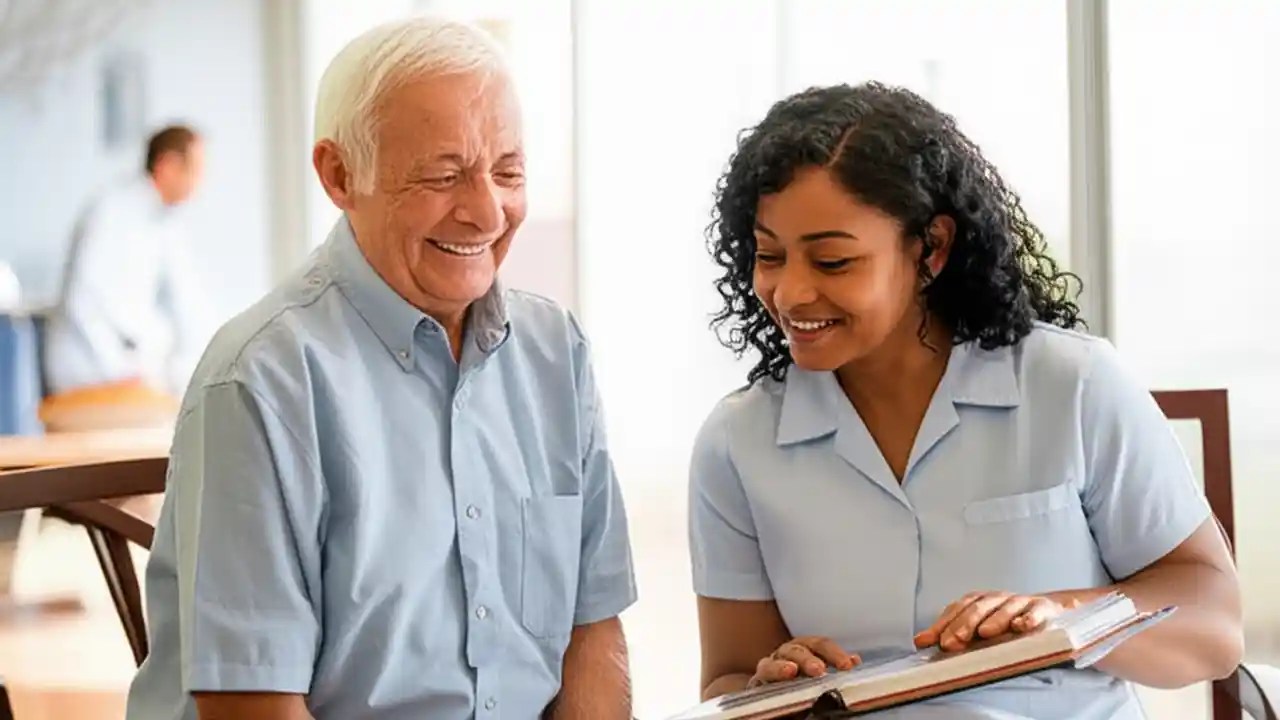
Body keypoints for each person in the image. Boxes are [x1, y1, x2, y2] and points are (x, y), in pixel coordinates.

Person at [125, 17, 636, 720]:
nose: (487, 210)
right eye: (444, 175)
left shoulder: (555, 351)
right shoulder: (261, 381)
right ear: (340, 175)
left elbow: (594, 632)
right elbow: (251, 706)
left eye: (508, 171)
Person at [688, 82, 1243, 719]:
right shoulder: (737, 442)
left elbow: (1214, 630)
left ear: (932, 248)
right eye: (769, 256)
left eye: (834, 262)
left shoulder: (1072, 384)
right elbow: (727, 685)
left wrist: (1062, 618)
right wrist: (772, 686)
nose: (789, 293)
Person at [44, 125, 208, 397]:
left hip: (124, 369)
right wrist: (117, 369)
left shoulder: (163, 223)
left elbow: (188, 307)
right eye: (196, 170)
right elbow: (84, 300)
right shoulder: (113, 212)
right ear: (167, 165)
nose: (199, 184)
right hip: (87, 370)